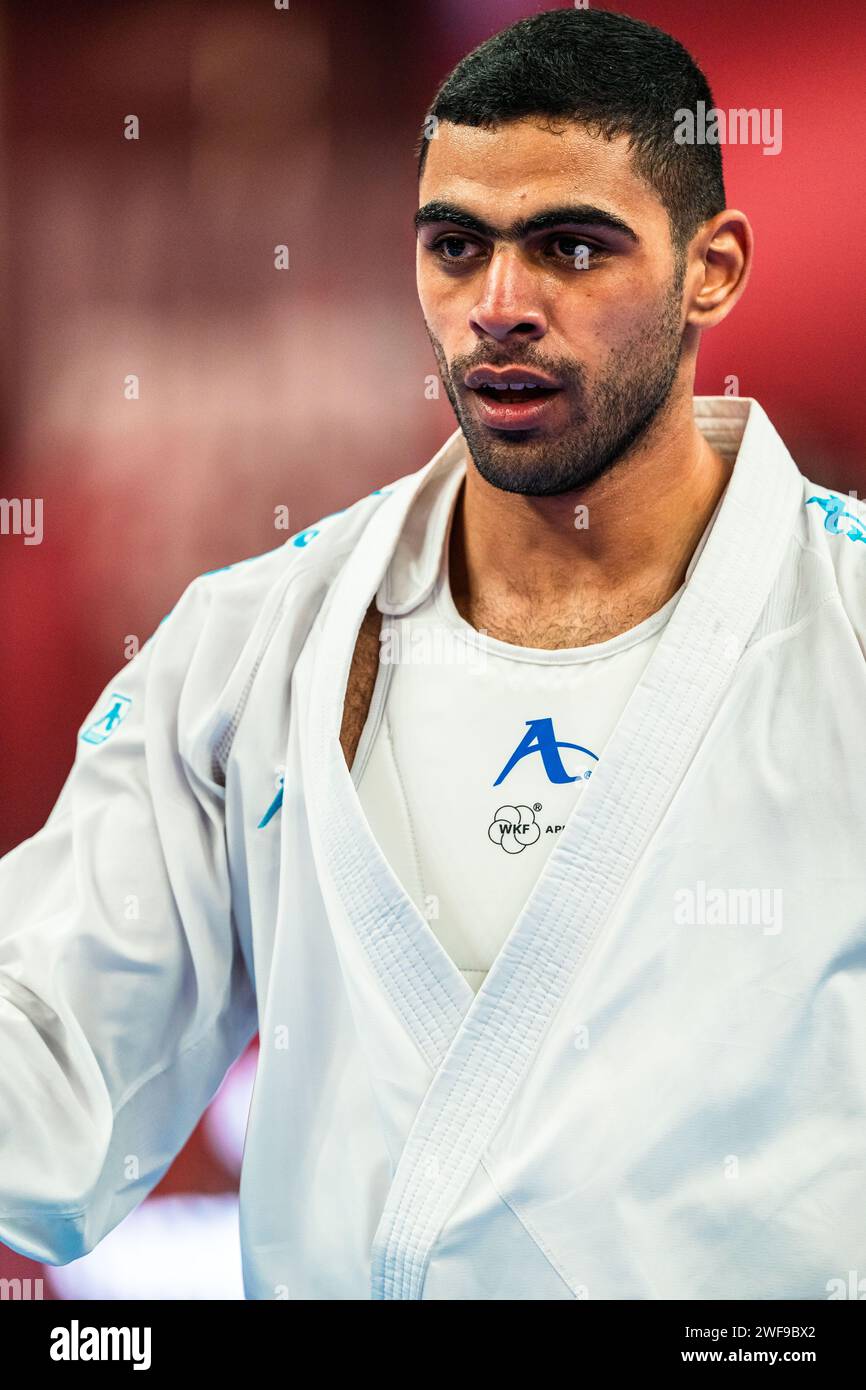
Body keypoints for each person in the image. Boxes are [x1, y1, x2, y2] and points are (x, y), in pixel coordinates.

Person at [1, 7, 864, 1301]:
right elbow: (46, 1072)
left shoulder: (841, 623)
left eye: (570, 246)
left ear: (713, 268)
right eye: (456, 248)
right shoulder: (245, 648)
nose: (498, 309)